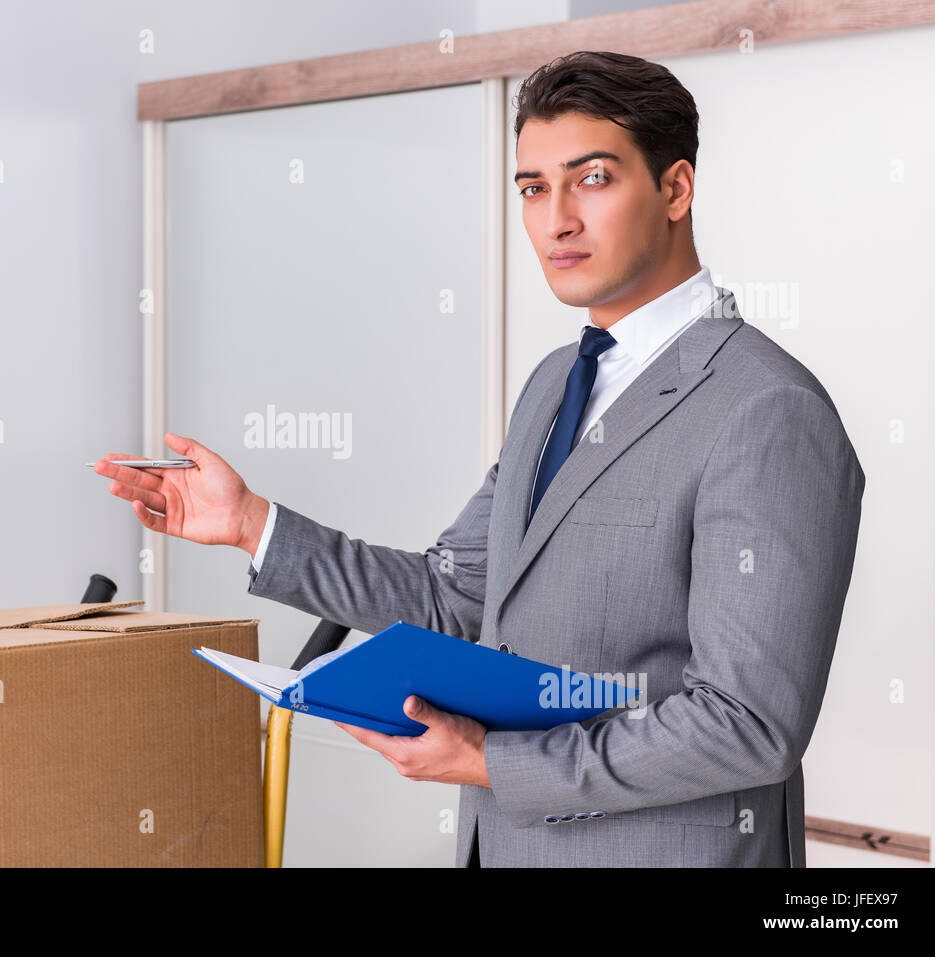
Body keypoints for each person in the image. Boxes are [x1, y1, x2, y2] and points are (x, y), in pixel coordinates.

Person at [93, 50, 865, 867]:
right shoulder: (553, 387)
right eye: (533, 188)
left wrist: (491, 761)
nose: (556, 219)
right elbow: (456, 595)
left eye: (592, 178)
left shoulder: (766, 410)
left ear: (676, 188)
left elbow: (747, 726)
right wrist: (253, 525)